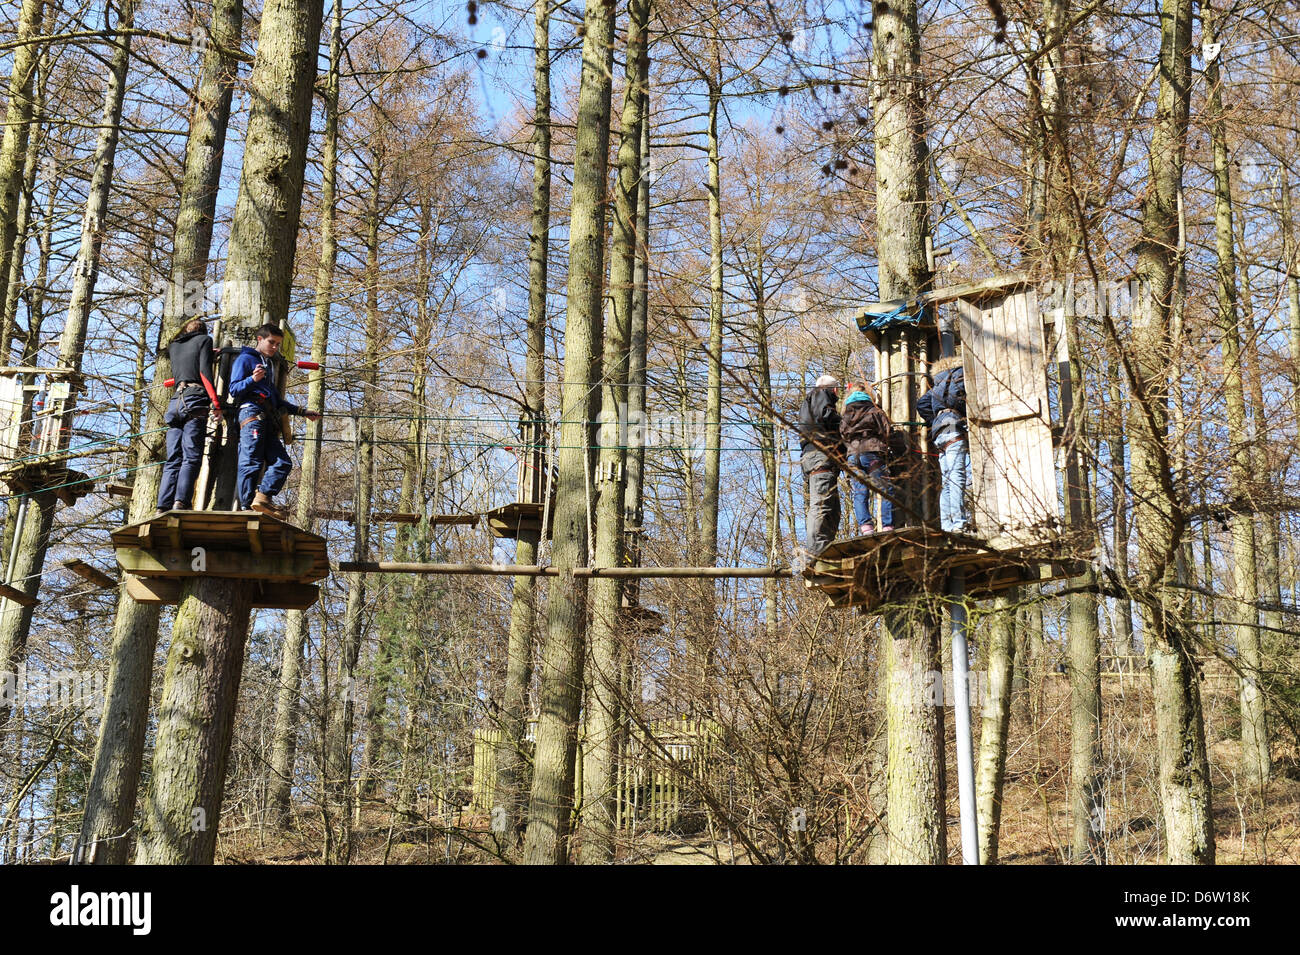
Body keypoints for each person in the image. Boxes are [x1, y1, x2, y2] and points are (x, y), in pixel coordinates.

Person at [229, 323, 319, 516]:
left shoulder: (267, 366)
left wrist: (303, 411)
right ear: (260, 339)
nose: (275, 347)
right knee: (251, 461)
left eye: (278, 344)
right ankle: (246, 506)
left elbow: (277, 401)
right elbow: (234, 389)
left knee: (282, 462)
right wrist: (252, 380)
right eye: (272, 342)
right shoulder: (246, 359)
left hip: (267, 420)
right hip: (251, 415)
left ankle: (261, 498)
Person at [157, 318, 221, 512]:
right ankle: (181, 502)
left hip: (175, 403)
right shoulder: (204, 340)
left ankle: (162, 505)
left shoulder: (174, 346)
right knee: (191, 457)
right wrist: (215, 402)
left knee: (173, 459)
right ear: (203, 332)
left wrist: (208, 354)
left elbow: (187, 362)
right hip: (195, 401)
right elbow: (203, 372)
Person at [917, 354, 970, 533]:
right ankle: (959, 523)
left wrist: (936, 419)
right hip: (953, 429)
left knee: (947, 481)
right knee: (957, 477)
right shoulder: (962, 376)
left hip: (939, 432)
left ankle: (947, 526)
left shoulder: (938, 384)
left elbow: (921, 404)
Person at [839, 381, 894, 535]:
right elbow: (887, 431)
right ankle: (887, 525)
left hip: (853, 455)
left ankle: (866, 527)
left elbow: (843, 434)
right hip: (872, 452)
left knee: (860, 491)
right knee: (885, 489)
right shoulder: (874, 411)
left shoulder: (846, 414)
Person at [798, 374, 843, 554]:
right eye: (837, 391)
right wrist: (846, 423)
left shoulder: (812, 402)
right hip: (820, 456)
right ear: (833, 388)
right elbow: (827, 415)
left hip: (820, 458)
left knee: (833, 509)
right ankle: (817, 549)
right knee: (822, 504)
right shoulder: (820, 393)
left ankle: (826, 547)